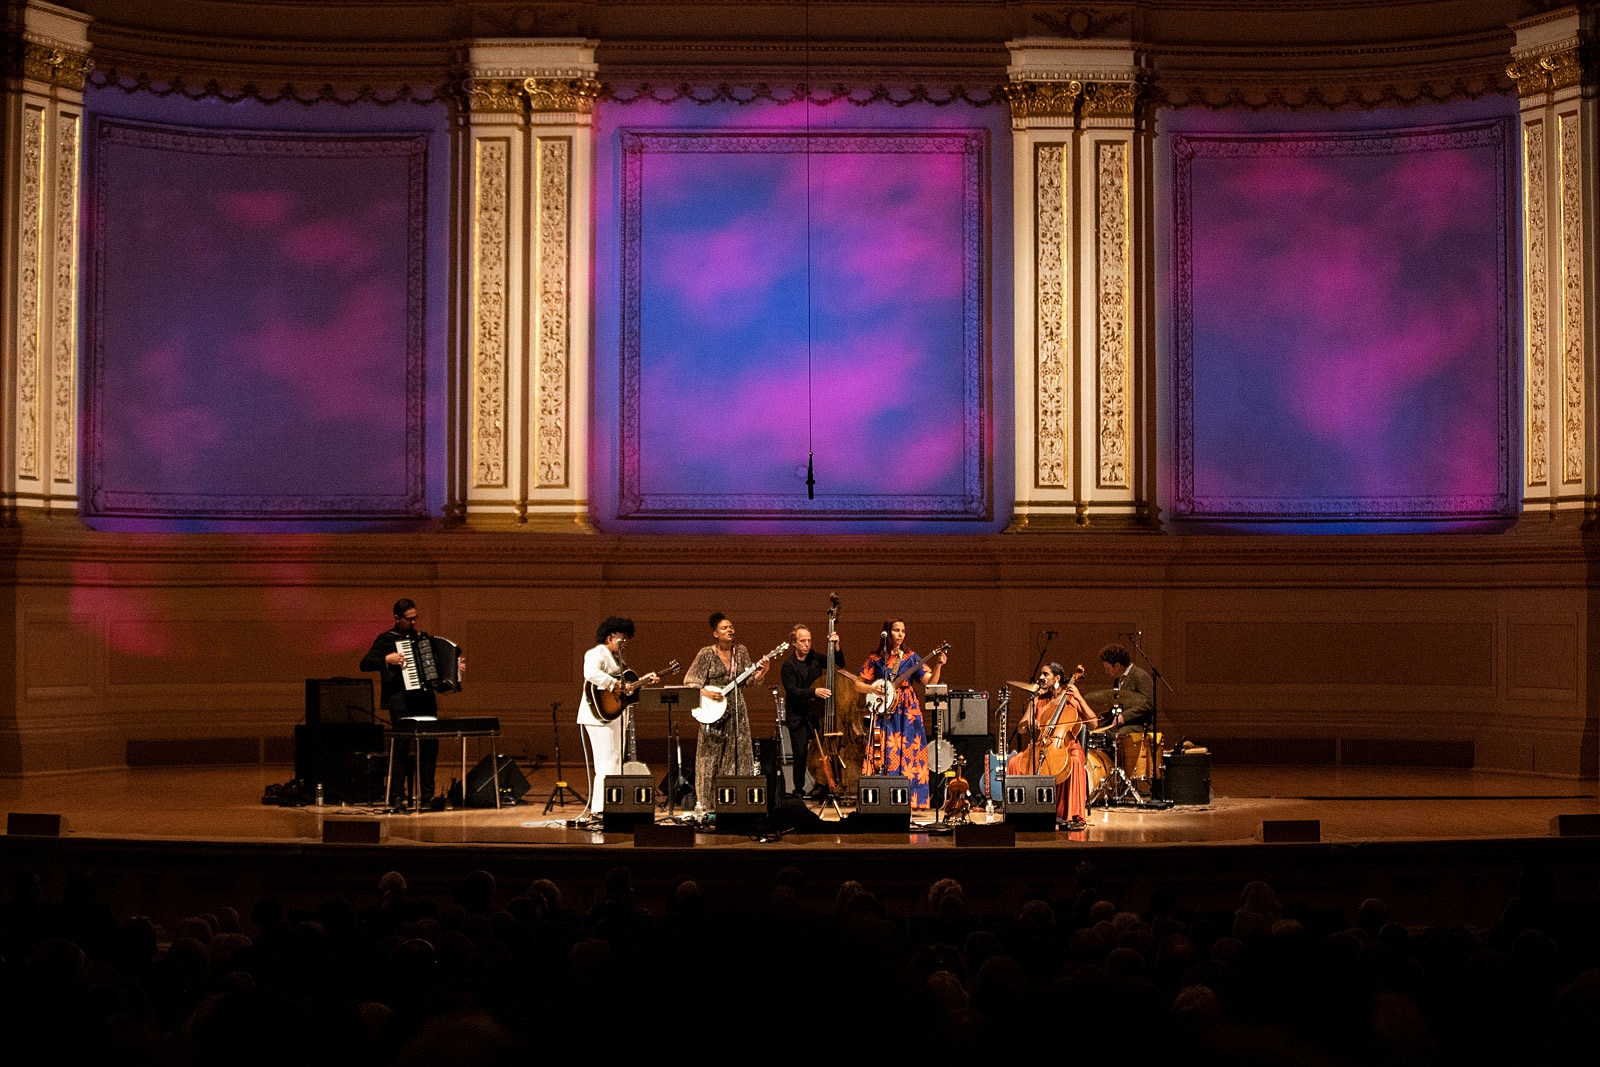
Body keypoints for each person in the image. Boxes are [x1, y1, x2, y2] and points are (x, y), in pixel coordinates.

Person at [576, 617, 661, 822]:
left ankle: (607, 806)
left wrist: (644, 681)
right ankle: (600, 809)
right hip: (598, 716)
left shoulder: (618, 662)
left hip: (614, 716)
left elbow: (627, 690)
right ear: (609, 637)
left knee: (614, 761)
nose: (625, 643)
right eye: (621, 639)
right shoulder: (596, 653)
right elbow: (591, 673)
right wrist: (614, 683)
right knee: (606, 762)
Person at [685, 613, 771, 813]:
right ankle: (706, 806)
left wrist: (762, 672)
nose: (730, 630)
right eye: (725, 628)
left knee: (736, 755)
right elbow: (690, 681)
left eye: (732, 627)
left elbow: (749, 681)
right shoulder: (706, 654)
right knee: (709, 758)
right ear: (715, 633)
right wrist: (706, 691)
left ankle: (733, 804)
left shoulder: (741, 652)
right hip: (712, 711)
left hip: (736, 709)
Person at [360, 598, 442, 807]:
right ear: (397, 618)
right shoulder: (386, 639)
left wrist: (452, 670)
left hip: (424, 701)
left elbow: (434, 669)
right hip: (401, 701)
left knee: (429, 747)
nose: (413, 623)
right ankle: (397, 795)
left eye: (415, 618)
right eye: (409, 619)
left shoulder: (423, 639)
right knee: (401, 749)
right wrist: (386, 660)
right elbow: (365, 663)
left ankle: (427, 796)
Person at [856, 619, 945, 809]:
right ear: (887, 633)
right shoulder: (876, 659)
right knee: (882, 751)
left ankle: (912, 800)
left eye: (903, 631)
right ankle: (880, 797)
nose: (900, 634)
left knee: (909, 751)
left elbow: (930, 682)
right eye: (896, 630)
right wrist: (874, 690)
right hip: (884, 710)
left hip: (908, 711)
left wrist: (938, 665)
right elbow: (858, 684)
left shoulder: (911, 657)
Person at [1014, 662, 1098, 829]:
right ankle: (1022, 811)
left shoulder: (1071, 699)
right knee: (1015, 762)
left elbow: (1094, 724)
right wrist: (1030, 723)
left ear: (1057, 678)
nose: (1041, 677)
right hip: (1042, 745)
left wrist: (1080, 697)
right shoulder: (1037, 699)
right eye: (1041, 674)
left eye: (1045, 674)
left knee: (1073, 763)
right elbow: (1020, 728)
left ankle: (1069, 814)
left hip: (1067, 747)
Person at [779, 622, 844, 797]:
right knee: (800, 754)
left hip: (816, 714)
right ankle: (798, 790)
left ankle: (822, 786)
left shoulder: (815, 658)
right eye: (802, 641)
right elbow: (792, 691)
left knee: (820, 752)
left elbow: (839, 663)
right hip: (798, 715)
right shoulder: (788, 666)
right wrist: (814, 691)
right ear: (794, 643)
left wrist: (836, 646)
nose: (807, 644)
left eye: (809, 640)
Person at [1097, 642, 1155, 736]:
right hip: (1124, 725)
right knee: (1098, 733)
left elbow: (1147, 704)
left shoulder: (1140, 676)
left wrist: (1124, 716)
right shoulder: (1118, 680)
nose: (1106, 672)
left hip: (1139, 725)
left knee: (1117, 735)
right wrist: (1108, 714)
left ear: (1117, 666)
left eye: (1107, 668)